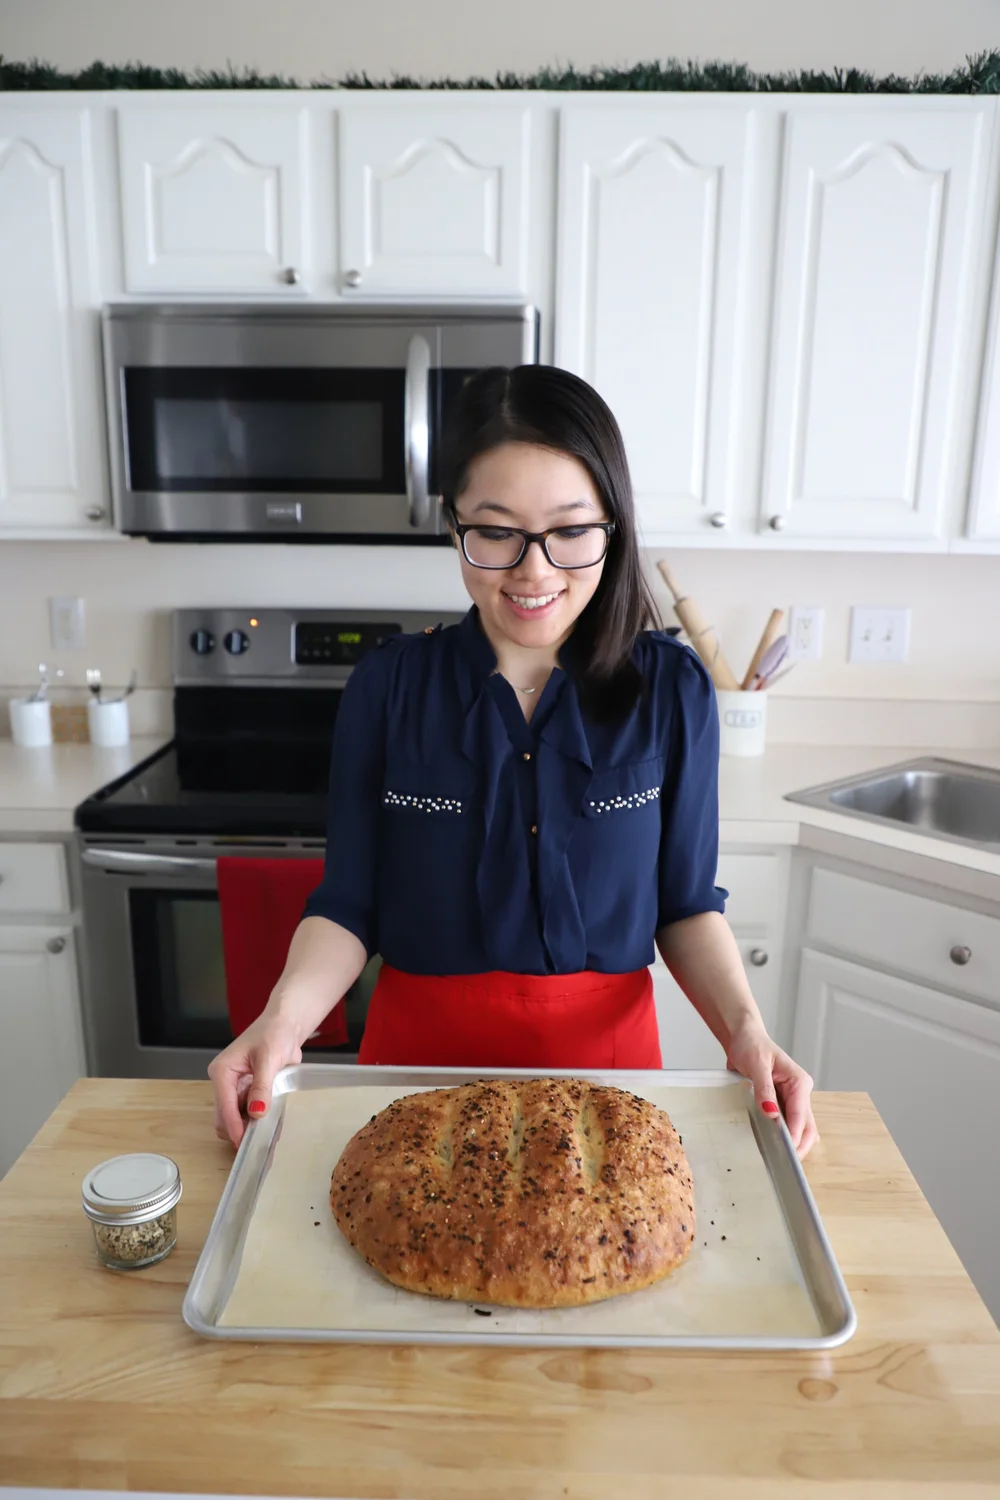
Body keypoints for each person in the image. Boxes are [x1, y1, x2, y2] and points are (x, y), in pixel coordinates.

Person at [209, 366, 818, 1159]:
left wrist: (746, 1032)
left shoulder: (672, 690)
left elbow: (683, 904)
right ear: (452, 522)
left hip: (609, 1088)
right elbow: (349, 906)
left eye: (570, 531)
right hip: (411, 1079)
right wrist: (279, 1022)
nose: (535, 571)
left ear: (614, 525)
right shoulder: (389, 687)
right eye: (495, 531)